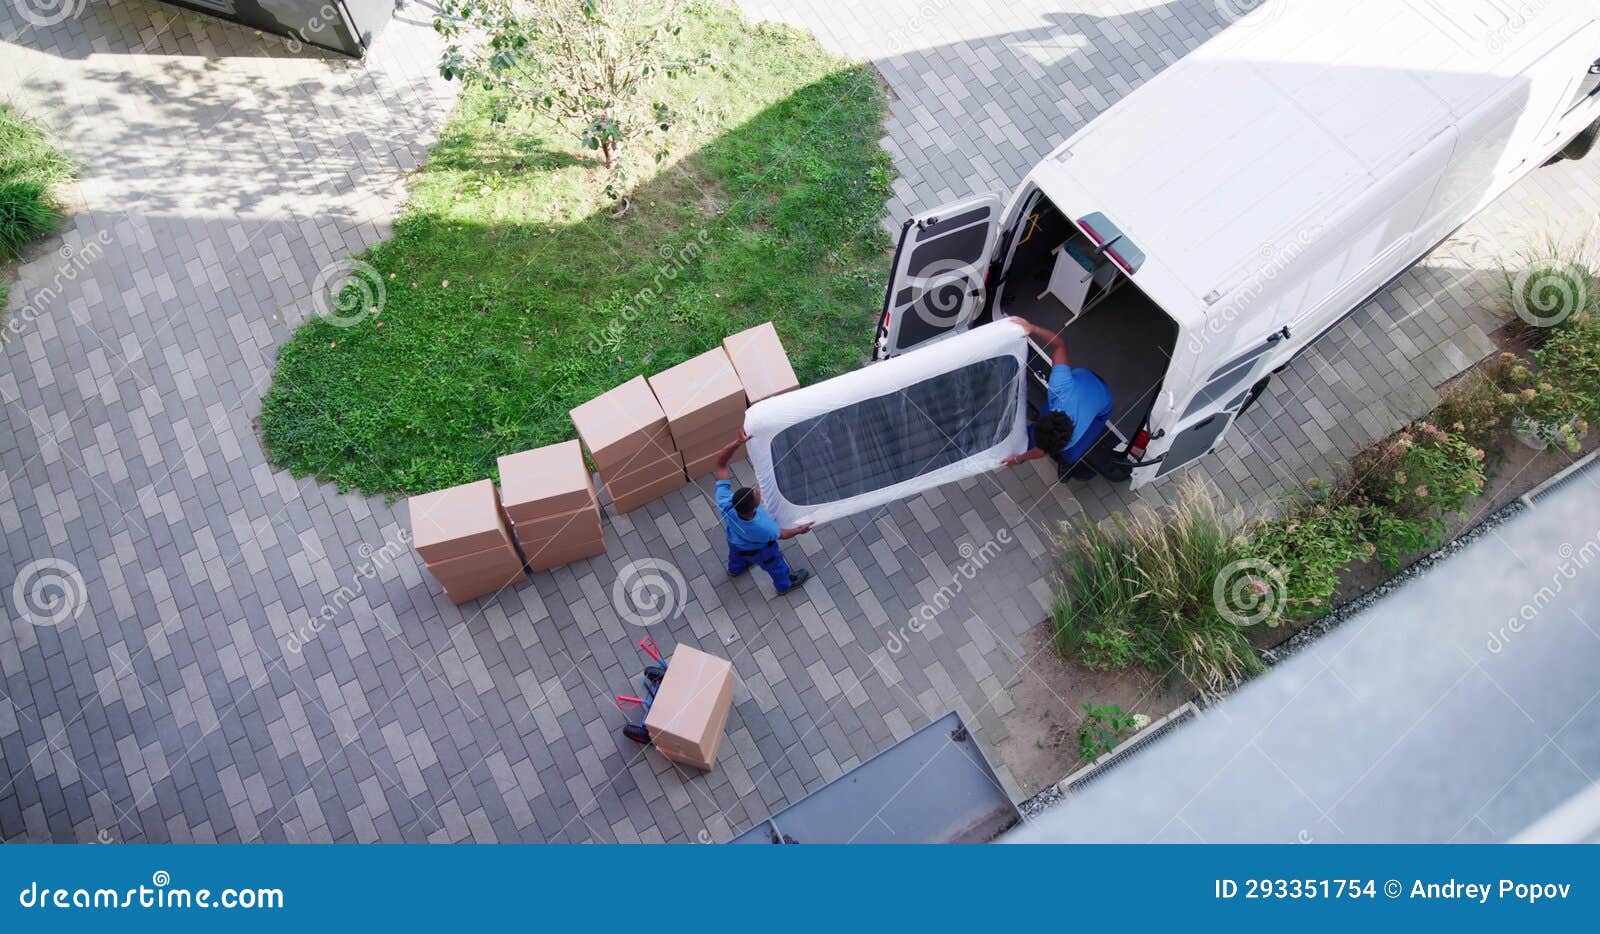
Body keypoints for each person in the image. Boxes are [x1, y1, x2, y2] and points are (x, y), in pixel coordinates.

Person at [1001, 319, 1115, 481]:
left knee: (1071, 455)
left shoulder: (1070, 440)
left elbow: (1040, 451)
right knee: (1043, 438)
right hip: (1086, 382)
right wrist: (1032, 328)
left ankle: (1068, 463)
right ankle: (1040, 441)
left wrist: (1019, 458)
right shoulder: (1060, 388)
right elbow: (1059, 344)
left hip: (1103, 405)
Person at [714, 431, 813, 594]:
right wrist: (800, 530)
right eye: (757, 493)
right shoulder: (764, 527)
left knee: (736, 556)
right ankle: (785, 585)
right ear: (754, 507)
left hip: (735, 541)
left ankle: (736, 569)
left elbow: (721, 463)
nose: (759, 490)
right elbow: (782, 534)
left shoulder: (725, 502)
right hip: (761, 551)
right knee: (777, 566)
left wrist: (737, 443)